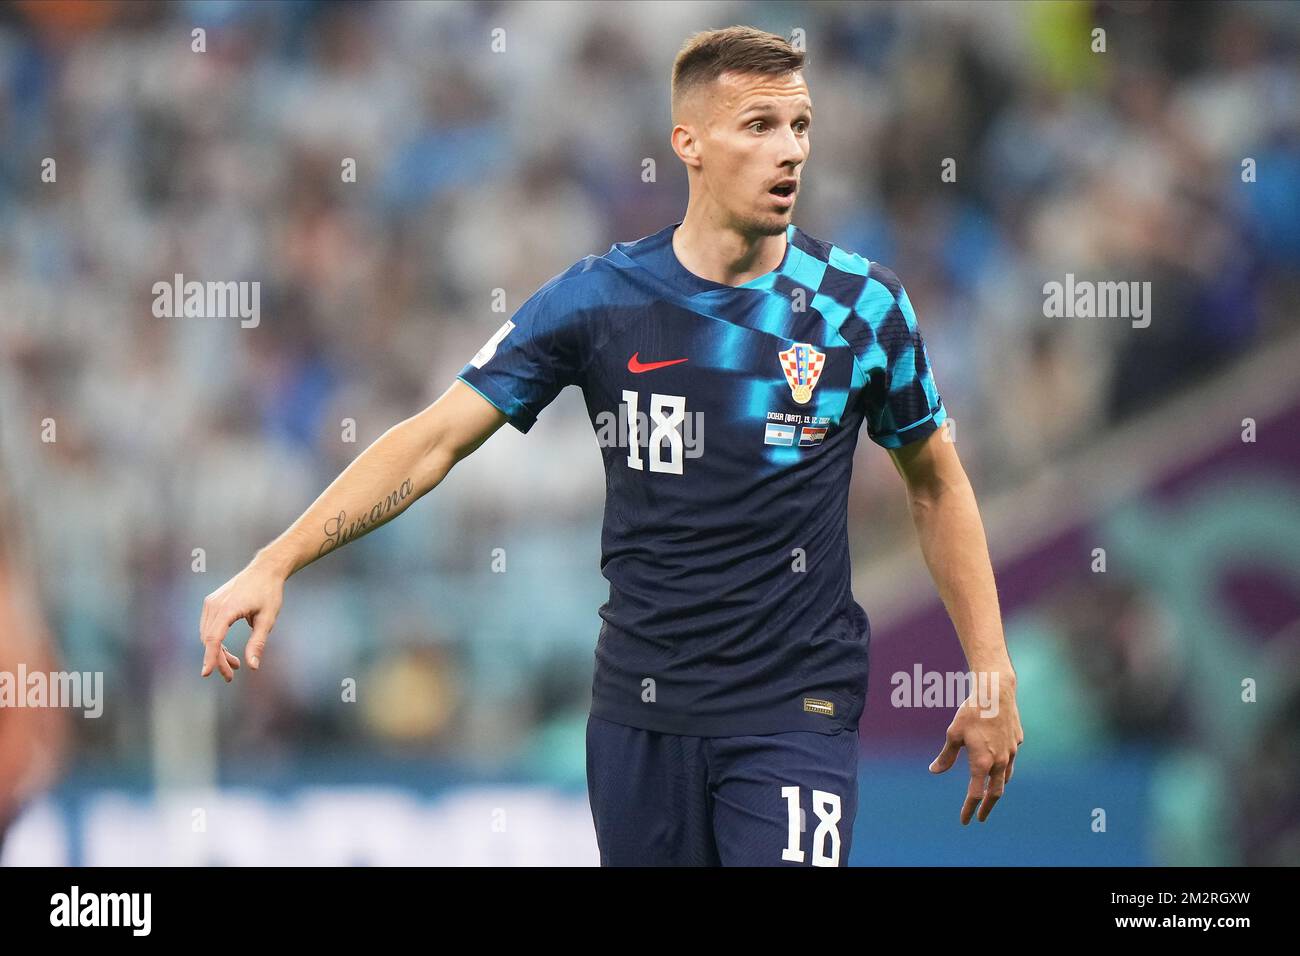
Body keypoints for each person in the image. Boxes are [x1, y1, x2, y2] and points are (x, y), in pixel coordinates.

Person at [199, 26, 1023, 866]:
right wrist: (278, 558)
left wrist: (989, 668)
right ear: (689, 144)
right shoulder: (600, 301)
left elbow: (936, 485)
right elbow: (432, 441)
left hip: (793, 714)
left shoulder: (863, 309)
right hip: (640, 716)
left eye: (800, 126)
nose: (790, 151)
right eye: (759, 125)